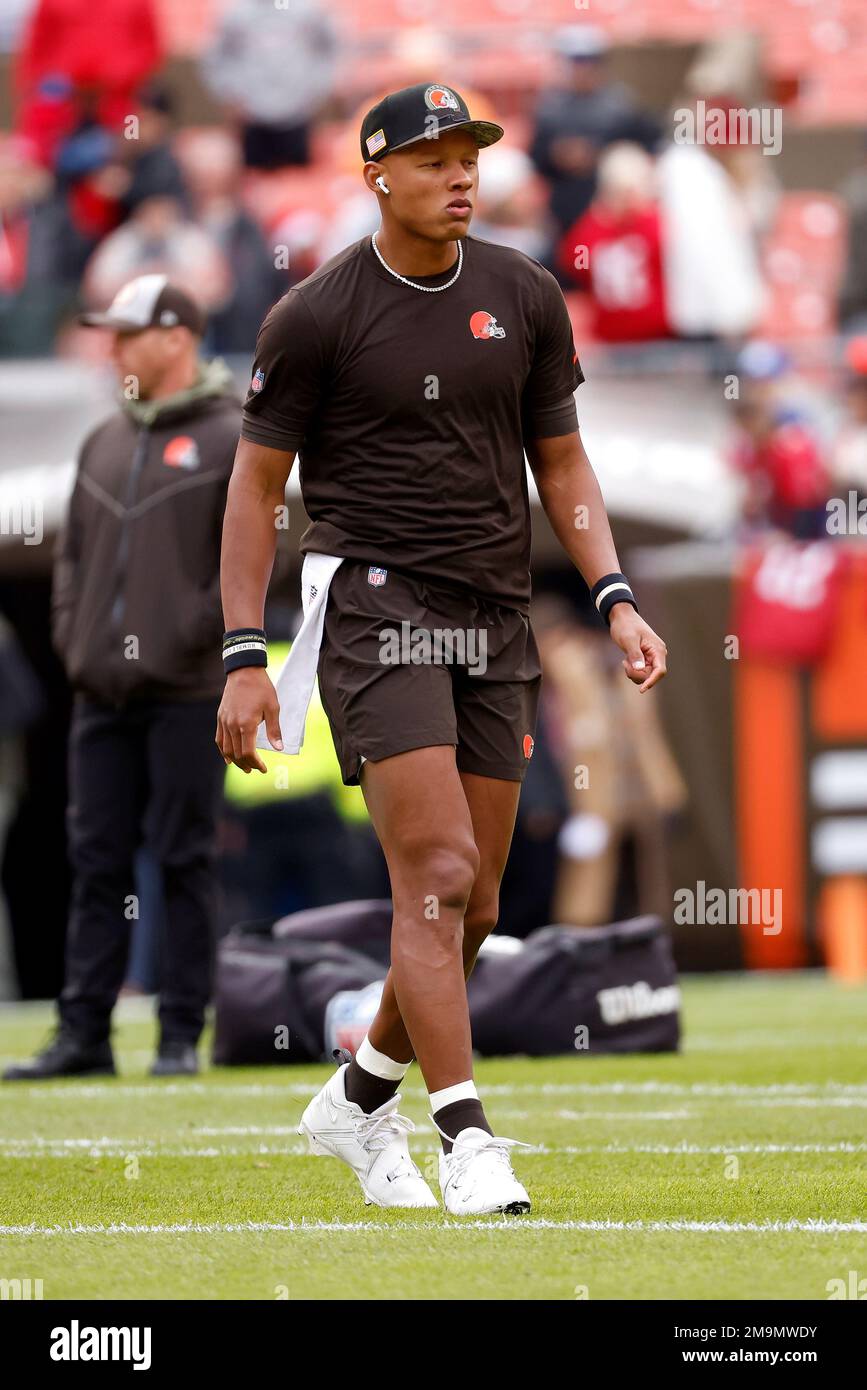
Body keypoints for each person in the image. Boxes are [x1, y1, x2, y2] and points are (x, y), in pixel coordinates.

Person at [216, 83, 667, 1215]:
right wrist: (238, 654)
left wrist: (614, 593)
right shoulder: (315, 314)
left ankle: (359, 1096)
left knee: (473, 912)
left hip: (497, 615)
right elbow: (253, 488)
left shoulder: (523, 292)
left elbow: (562, 464)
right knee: (439, 877)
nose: (460, 173)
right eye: (432, 158)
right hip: (376, 605)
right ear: (376, 175)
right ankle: (467, 1134)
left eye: (469, 154)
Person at [3, 274, 240, 1082]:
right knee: (95, 861)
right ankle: (85, 1034)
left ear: (176, 337)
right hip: (100, 691)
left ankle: (179, 1034)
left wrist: (182, 641)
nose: (113, 351)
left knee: (183, 860)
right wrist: (76, 644)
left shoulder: (229, 437)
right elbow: (69, 563)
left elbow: (247, 565)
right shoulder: (102, 439)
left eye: (127, 335)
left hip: (188, 691)